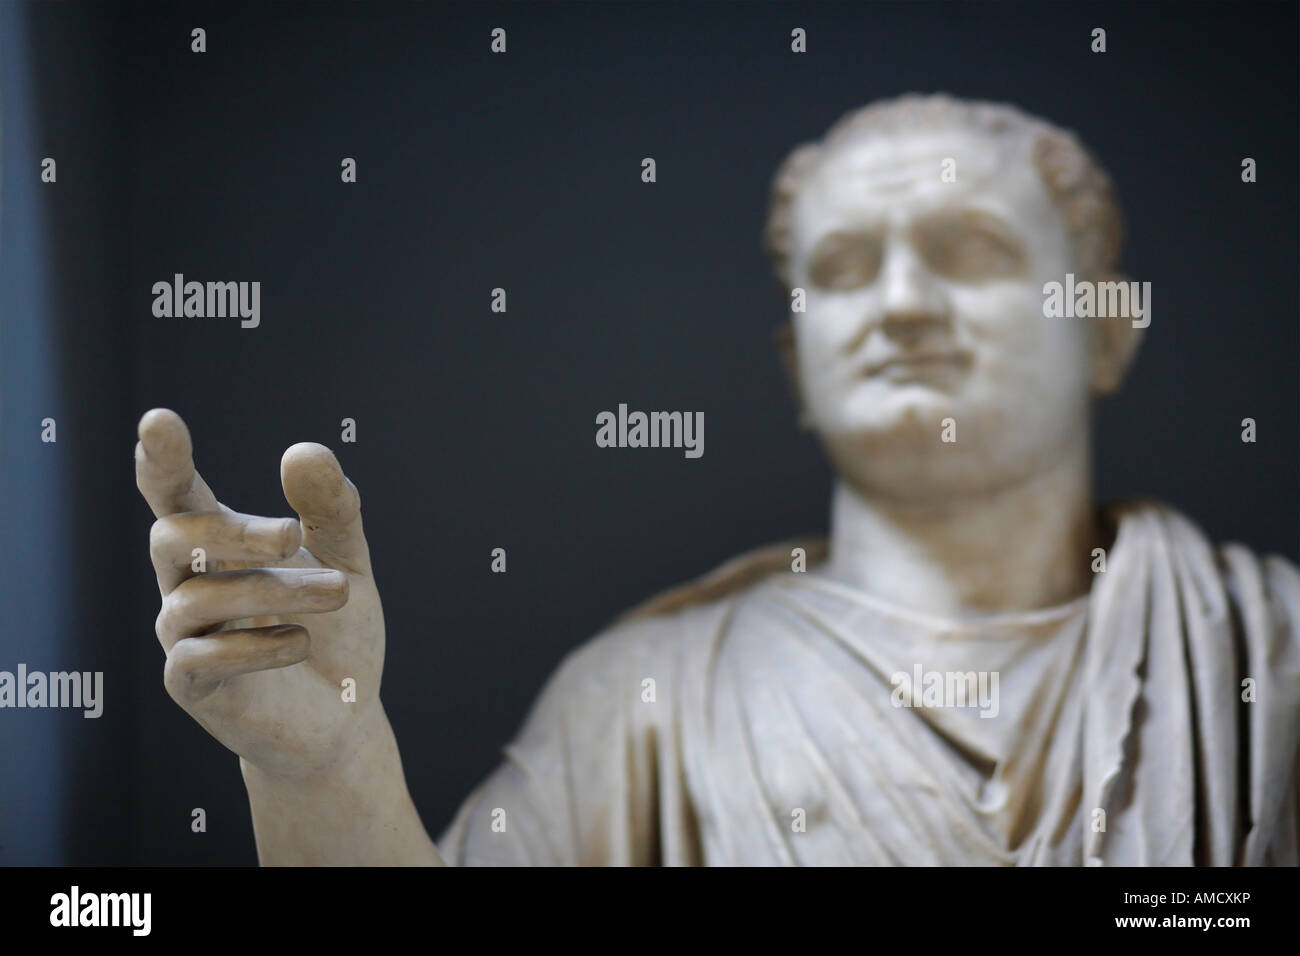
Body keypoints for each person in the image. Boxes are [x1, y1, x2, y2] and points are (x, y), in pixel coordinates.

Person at [136, 94, 1300, 866]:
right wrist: (326, 767)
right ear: (800, 362)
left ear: (1104, 326)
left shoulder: (1269, 653)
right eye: (844, 268)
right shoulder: (639, 702)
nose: (899, 302)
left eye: (971, 251)